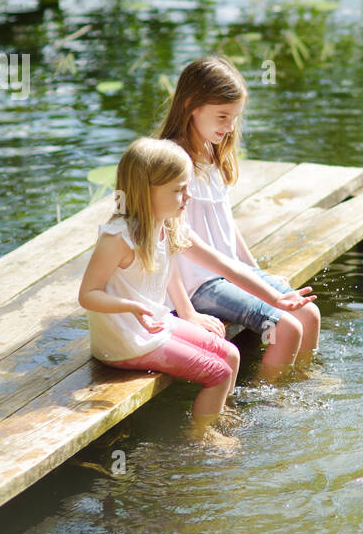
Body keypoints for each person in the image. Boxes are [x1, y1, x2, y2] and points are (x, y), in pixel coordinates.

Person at [77, 138, 313, 439]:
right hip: (124, 339)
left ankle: (217, 413)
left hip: (155, 324)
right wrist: (132, 307)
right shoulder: (118, 239)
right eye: (178, 190)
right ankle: (202, 435)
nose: (187, 197)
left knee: (231, 356)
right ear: (146, 191)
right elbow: (88, 295)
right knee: (219, 373)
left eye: (187, 187)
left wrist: (277, 298)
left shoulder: (172, 226)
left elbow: (226, 266)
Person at [157, 56, 322, 382]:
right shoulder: (172, 162)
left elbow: (225, 224)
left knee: (309, 314)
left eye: (234, 117)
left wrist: (256, 271)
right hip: (196, 285)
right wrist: (186, 312)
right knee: (285, 327)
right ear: (191, 105)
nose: (230, 126)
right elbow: (164, 245)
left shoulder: (213, 152)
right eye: (222, 116)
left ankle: (300, 381)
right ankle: (272, 401)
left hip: (227, 272)